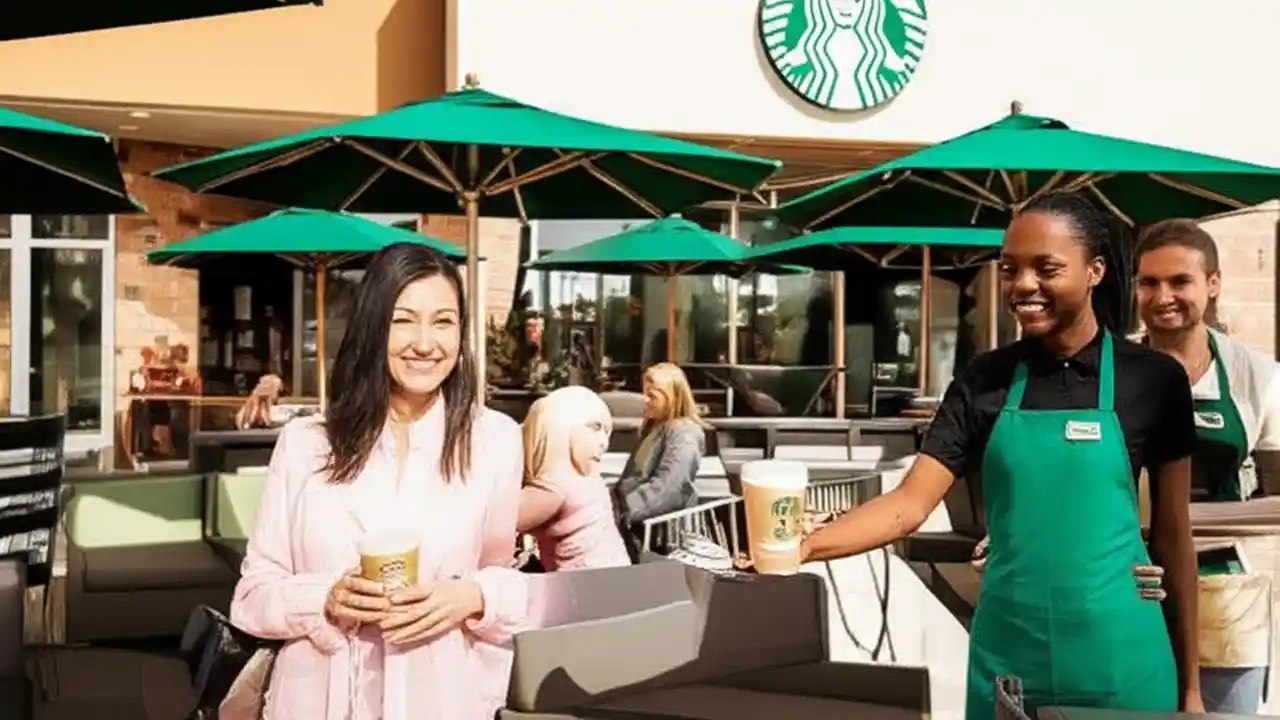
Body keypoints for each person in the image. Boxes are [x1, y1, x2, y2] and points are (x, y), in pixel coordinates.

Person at [800, 192, 1203, 718]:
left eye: (1046, 268)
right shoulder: (982, 381)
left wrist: (1191, 687)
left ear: (1094, 270)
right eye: (1011, 269)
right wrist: (801, 547)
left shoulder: (1153, 381)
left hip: (1122, 659)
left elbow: (1174, 534)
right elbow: (908, 506)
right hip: (1010, 659)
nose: (1024, 286)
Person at [230, 243, 527, 720]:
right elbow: (251, 598)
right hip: (319, 702)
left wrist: (473, 596)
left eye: (444, 321)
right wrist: (326, 598)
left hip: (441, 700)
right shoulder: (306, 444)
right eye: (404, 319)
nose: (425, 342)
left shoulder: (494, 441)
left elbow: (506, 579)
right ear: (373, 326)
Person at [1135, 218, 1279, 714]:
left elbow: (1278, 500)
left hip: (1228, 596)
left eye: (1180, 282)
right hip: (1133, 584)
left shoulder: (1256, 376)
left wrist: (1176, 523)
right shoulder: (1113, 372)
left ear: (1212, 284)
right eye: (1149, 282)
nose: (1163, 296)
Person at [518, 386, 630, 571]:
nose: (605, 442)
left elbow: (503, 521)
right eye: (595, 428)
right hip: (613, 578)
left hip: (584, 588)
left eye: (607, 432)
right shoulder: (589, 478)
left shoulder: (557, 483)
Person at [612, 362, 707, 560]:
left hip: (662, 538)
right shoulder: (656, 426)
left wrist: (622, 510)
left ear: (672, 398)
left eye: (652, 396)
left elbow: (670, 488)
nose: (645, 400)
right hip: (642, 529)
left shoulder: (684, 434)